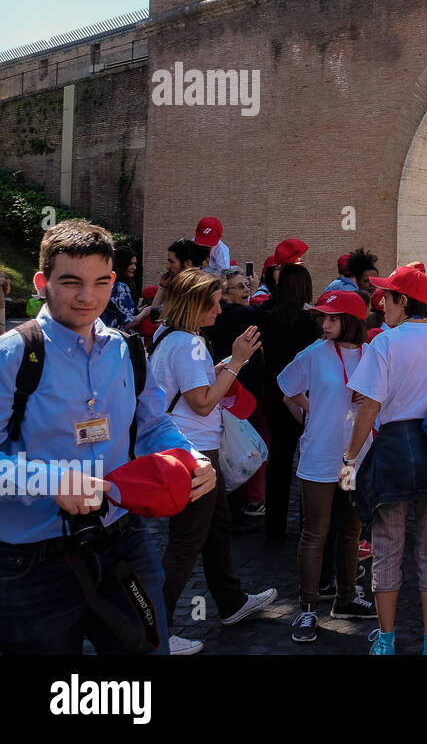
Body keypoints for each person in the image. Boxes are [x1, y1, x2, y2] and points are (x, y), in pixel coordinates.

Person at [0, 220, 214, 655]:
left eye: (100, 282)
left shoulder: (127, 349)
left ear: (113, 281)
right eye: (70, 282)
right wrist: (49, 482)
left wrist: (189, 455)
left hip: (121, 539)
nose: (87, 297)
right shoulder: (14, 354)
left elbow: (153, 425)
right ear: (42, 283)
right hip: (30, 562)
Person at [150, 267, 277, 654]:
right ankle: (156, 630)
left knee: (217, 527)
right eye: (215, 303)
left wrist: (221, 364)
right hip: (192, 452)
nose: (220, 311)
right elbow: (203, 402)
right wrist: (236, 362)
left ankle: (231, 602)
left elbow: (191, 386)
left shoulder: (166, 337)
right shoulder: (188, 344)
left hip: (183, 448)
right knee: (187, 540)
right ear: (196, 305)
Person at [339, 264, 427, 656]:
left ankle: (387, 640)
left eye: (387, 297)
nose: (381, 303)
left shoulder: (386, 343)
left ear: (403, 301)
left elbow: (369, 407)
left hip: (395, 446)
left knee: (388, 545)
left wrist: (350, 456)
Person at [278, 290, 377, 643]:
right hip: (319, 458)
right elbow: (286, 387)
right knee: (315, 532)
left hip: (353, 460)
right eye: (323, 317)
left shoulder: (371, 355)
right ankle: (307, 609)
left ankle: (346, 598)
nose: (325, 323)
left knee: (351, 530)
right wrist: (310, 413)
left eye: (332, 318)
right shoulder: (314, 354)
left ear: (350, 321)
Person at [255, 262, 320, 543]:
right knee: (308, 461)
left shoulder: (267, 317)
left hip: (273, 392)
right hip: (305, 397)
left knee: (279, 460)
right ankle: (310, 522)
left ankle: (274, 523)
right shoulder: (312, 322)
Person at [206, 267, 267, 526]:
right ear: (225, 296)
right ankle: (251, 497)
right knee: (252, 445)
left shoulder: (227, 316)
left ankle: (234, 496)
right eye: (239, 287)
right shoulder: (238, 315)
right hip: (238, 389)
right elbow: (259, 315)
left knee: (234, 445)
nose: (245, 291)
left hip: (228, 387)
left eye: (246, 286)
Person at [101, 246, 149, 331]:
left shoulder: (108, 284)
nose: (134, 267)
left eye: (135, 264)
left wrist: (139, 310)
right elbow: (129, 323)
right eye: (130, 264)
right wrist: (145, 312)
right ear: (121, 264)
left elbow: (119, 312)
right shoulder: (121, 287)